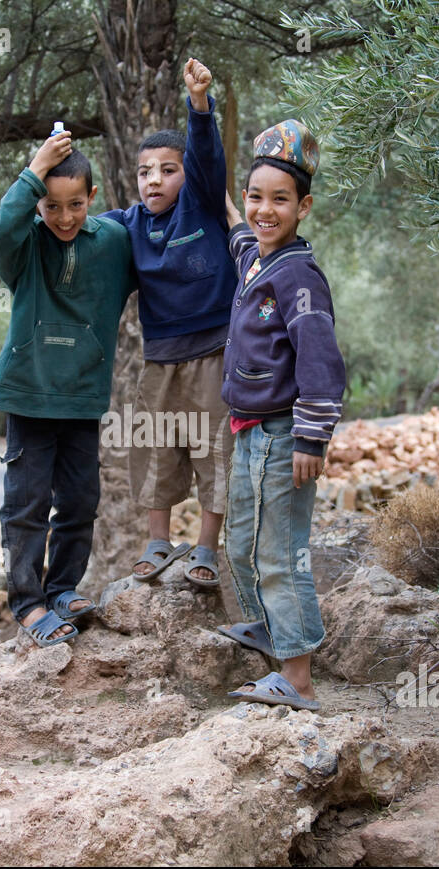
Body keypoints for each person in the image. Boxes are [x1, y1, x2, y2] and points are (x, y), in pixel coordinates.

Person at [0, 131, 135, 647]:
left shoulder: (112, 243)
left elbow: (160, 252)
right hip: (28, 395)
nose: (64, 218)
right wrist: (35, 165)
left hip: (83, 397)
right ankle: (27, 604)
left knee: (80, 499)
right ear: (38, 203)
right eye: (51, 205)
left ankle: (63, 588)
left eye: (74, 205)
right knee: (25, 504)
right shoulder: (24, 246)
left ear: (93, 199)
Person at [217, 120, 346, 710]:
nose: (264, 210)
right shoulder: (256, 257)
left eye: (280, 200)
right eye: (255, 197)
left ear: (304, 207)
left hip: (282, 436)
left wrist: (311, 440)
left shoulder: (297, 275)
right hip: (247, 434)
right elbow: (234, 224)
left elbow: (320, 359)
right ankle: (270, 630)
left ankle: (297, 677)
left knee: (278, 550)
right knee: (240, 540)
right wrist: (201, 112)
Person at [99, 57, 235, 590]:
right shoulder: (128, 226)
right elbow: (81, 232)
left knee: (215, 453)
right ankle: (156, 542)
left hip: (215, 356)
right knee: (152, 448)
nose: (154, 179)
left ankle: (205, 548)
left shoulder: (200, 206)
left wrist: (199, 104)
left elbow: (207, 155)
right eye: (144, 171)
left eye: (167, 169)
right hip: (160, 360)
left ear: (187, 176)